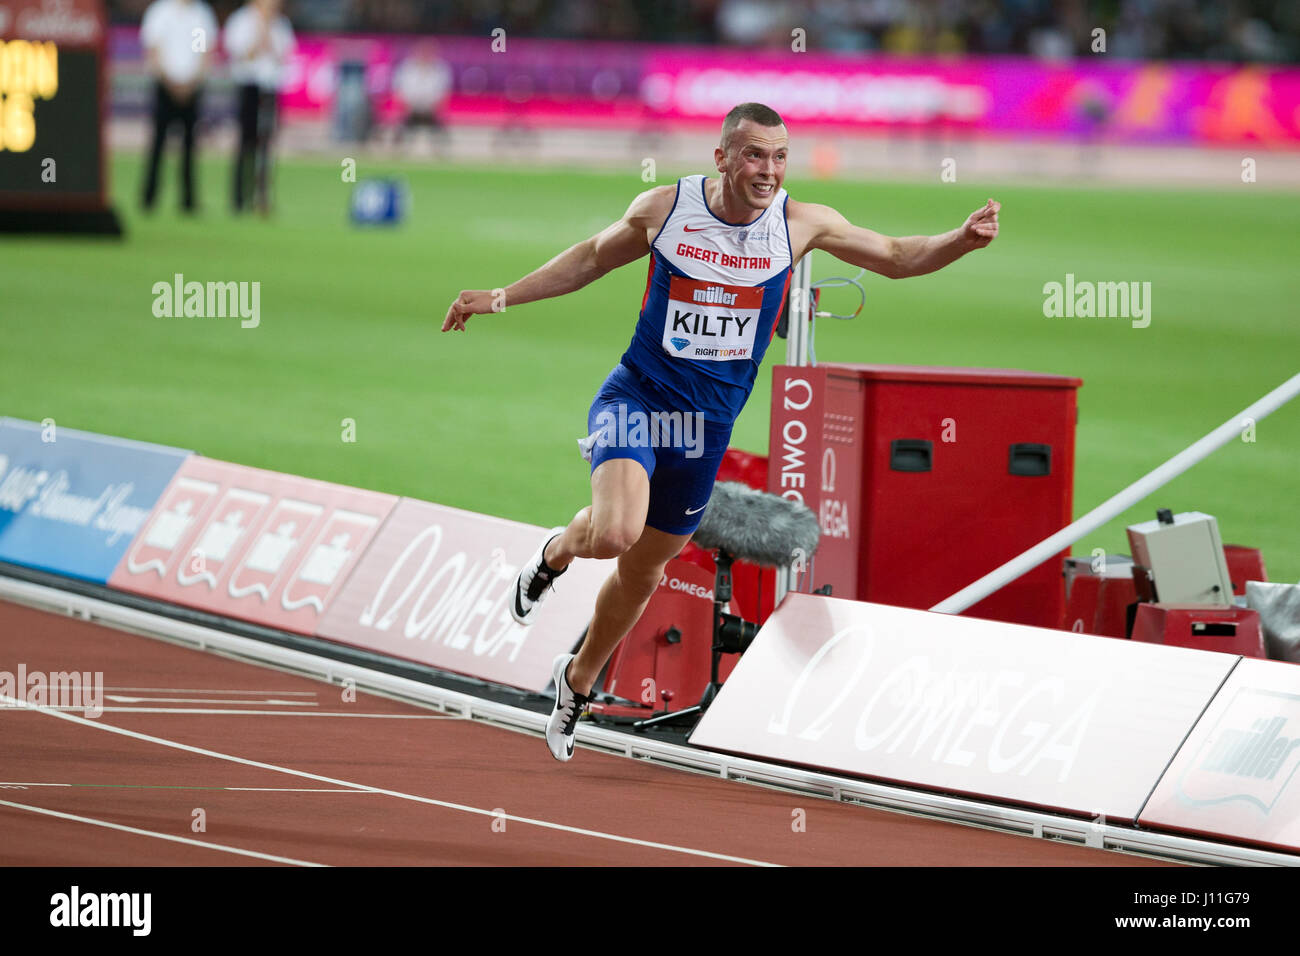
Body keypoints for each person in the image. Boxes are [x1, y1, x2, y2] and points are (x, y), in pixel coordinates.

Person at [441, 103, 1001, 762]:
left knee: (644, 565)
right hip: (639, 401)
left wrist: (959, 240)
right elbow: (592, 258)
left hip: (704, 431)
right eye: (755, 155)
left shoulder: (801, 224)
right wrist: (502, 296)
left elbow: (898, 257)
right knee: (618, 532)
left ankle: (577, 676)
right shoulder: (665, 209)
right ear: (723, 158)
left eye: (780, 156)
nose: (769, 170)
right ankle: (561, 551)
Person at [140, 0, 218, 213]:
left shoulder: (200, 15)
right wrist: (170, 82)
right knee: (158, 144)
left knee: (189, 147)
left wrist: (191, 82)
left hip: (192, 87)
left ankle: (188, 200)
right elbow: (155, 50)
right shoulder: (160, 12)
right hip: (165, 86)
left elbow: (202, 53)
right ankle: (149, 197)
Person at [223, 0, 296, 214]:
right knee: (245, 143)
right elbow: (244, 55)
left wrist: (269, 31)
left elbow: (282, 56)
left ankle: (262, 196)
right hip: (249, 86)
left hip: (270, 88)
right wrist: (260, 30)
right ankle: (239, 198)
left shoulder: (281, 24)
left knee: (266, 144)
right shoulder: (241, 21)